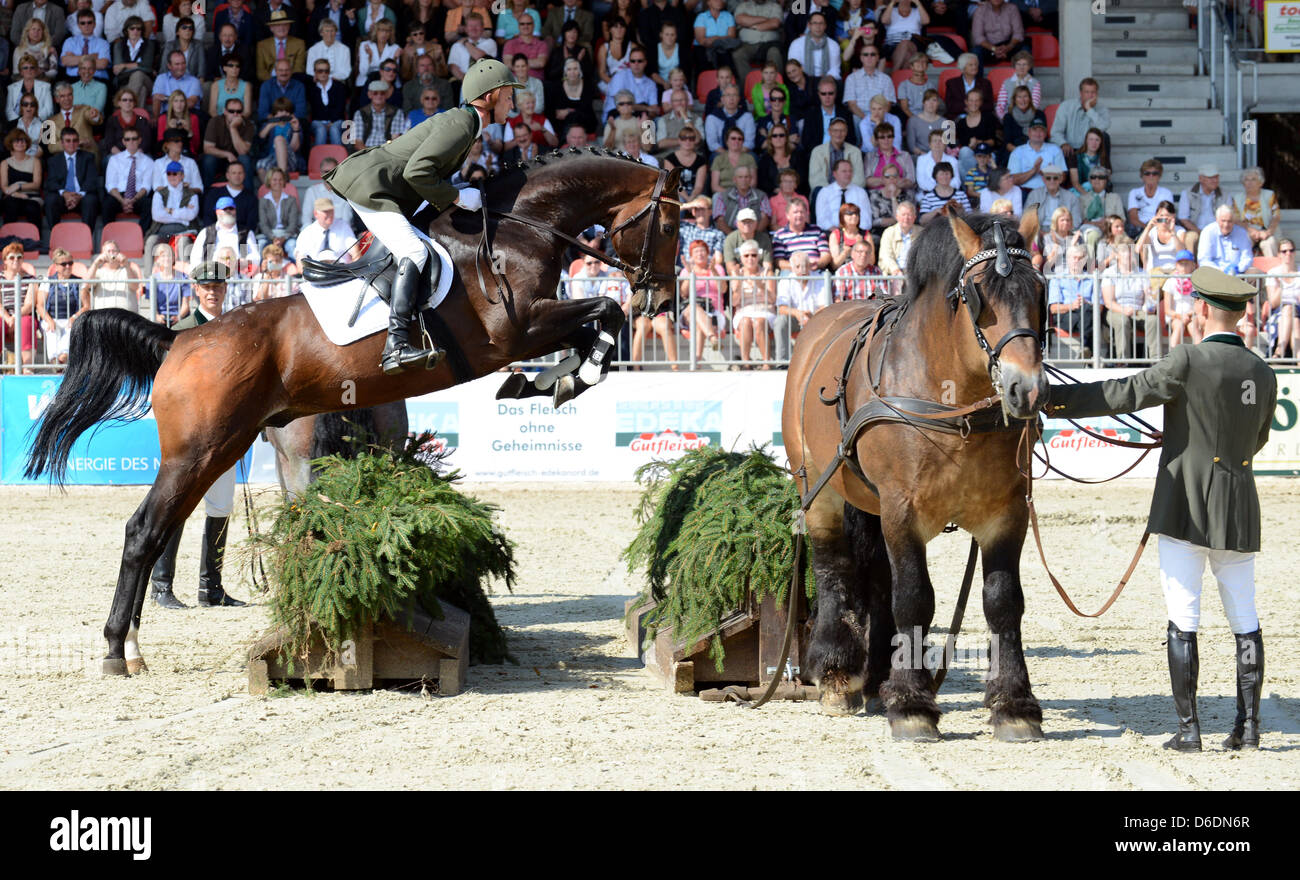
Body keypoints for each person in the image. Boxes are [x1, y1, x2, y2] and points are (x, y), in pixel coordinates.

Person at [1046, 267, 1274, 752]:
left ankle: (1190, 731)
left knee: (1183, 616)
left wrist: (1054, 400)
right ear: (1242, 313)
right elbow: (1257, 439)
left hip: (1185, 505)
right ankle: (1249, 728)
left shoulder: (1187, 359)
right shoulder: (1262, 370)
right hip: (1238, 506)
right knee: (1245, 617)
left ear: (1203, 309)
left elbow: (1125, 393)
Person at [323, 58, 523, 375]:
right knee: (414, 252)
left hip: (387, 186)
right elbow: (419, 173)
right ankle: (395, 346)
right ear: (490, 97)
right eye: (509, 95)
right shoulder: (461, 125)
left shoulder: (467, 124)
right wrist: (458, 196)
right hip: (372, 187)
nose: (514, 103)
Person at [151, 261, 249, 610]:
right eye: (207, 287)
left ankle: (212, 589)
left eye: (218, 287)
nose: (213, 292)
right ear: (196, 290)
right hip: (192, 437)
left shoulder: (238, 328)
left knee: (221, 509)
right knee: (176, 508)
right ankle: (161, 586)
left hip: (226, 436)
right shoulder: (182, 332)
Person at [1102, 243, 1158, 360]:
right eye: (1123, 251)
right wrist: (1123, 310)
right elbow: (1108, 302)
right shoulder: (1109, 273)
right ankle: (1122, 361)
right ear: (1117, 255)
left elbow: (1148, 296)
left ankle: (1155, 360)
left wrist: (1150, 305)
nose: (1127, 254)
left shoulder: (1142, 273)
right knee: (1122, 321)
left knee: (1153, 320)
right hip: (1116, 309)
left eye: (1129, 251)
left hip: (1138, 310)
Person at [775, 249, 828, 363]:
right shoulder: (785, 280)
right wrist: (798, 313)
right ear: (792, 268)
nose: (802, 270)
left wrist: (812, 316)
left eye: (805, 266)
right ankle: (782, 362)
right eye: (798, 266)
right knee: (780, 321)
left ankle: (821, 362)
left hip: (817, 318)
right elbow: (781, 308)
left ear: (809, 266)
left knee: (826, 320)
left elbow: (826, 306)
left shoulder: (820, 278)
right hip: (795, 318)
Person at [732, 239, 777, 368]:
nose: (750, 258)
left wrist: (761, 286)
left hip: (765, 311)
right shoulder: (737, 274)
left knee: (760, 321)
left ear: (759, 256)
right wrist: (739, 282)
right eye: (746, 255)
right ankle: (746, 362)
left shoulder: (767, 273)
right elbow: (734, 302)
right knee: (746, 321)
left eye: (753, 255)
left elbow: (773, 300)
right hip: (744, 311)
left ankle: (766, 362)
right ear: (741, 258)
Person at [35, 247, 85, 364]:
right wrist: (49, 320)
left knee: (71, 330)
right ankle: (54, 362)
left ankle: (62, 359)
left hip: (71, 319)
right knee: (51, 330)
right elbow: (40, 306)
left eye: (70, 263)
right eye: (64, 264)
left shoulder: (79, 281)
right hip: (52, 318)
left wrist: (74, 317)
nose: (68, 266)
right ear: (56, 266)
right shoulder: (48, 281)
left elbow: (86, 306)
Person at [43, 127, 99, 229]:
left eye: (75, 140)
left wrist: (78, 196)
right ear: (62, 143)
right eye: (68, 141)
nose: (72, 144)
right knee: (51, 200)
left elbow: (92, 180)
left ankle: (87, 237)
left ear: (78, 142)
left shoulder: (88, 157)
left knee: (91, 200)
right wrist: (65, 194)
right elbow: (51, 182)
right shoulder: (54, 160)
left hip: (82, 197)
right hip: (62, 198)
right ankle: (55, 236)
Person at [1046, 244, 1095, 358]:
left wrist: (1086, 304)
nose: (1077, 261)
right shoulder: (1057, 278)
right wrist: (1072, 306)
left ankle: (1085, 349)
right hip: (1066, 317)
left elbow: (1100, 306)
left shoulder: (1092, 279)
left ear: (1085, 260)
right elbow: (1053, 309)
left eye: (1080, 258)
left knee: (1087, 310)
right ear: (1068, 259)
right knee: (1086, 313)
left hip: (1087, 316)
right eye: (1074, 258)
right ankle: (1087, 348)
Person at [1175, 166, 1233, 258]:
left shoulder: (1225, 194)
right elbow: (1183, 218)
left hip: (1219, 230)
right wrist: (1200, 232)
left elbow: (1229, 216)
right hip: (1196, 230)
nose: (1215, 180)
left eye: (1216, 177)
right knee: (1190, 238)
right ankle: (1191, 266)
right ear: (1201, 179)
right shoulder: (1187, 193)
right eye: (1211, 178)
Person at [1050, 78, 1110, 161]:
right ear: (1081, 93)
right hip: (1070, 148)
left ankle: (1103, 171)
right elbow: (1055, 132)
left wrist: (1089, 110)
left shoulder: (1102, 109)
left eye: (1093, 92)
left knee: (1105, 137)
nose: (1090, 95)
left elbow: (1103, 127)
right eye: (1087, 92)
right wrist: (1063, 143)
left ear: (1097, 93)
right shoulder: (1066, 106)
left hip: (1090, 149)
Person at [103, 127, 153, 225]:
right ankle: (109, 237)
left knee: (149, 204)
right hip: (119, 196)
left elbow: (146, 186)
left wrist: (133, 200)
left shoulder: (148, 161)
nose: (131, 142)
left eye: (134, 139)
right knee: (107, 203)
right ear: (123, 141)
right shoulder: (114, 160)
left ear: (139, 140)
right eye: (127, 139)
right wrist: (123, 201)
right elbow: (110, 185)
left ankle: (142, 236)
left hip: (138, 196)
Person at [1232, 167, 1280, 259]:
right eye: (1246, 180)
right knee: (1243, 241)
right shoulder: (1237, 198)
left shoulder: (1269, 195)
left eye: (1253, 179)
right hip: (1246, 231)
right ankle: (1244, 270)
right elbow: (1236, 220)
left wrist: (1268, 232)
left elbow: (1276, 216)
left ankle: (1272, 272)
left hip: (1266, 230)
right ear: (1243, 183)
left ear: (1260, 183)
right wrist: (1252, 231)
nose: (1249, 183)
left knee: (1270, 243)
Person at [87, 240, 144, 312]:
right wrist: (96, 263)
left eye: (114, 251)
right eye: (108, 251)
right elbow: (87, 284)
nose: (111, 254)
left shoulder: (128, 270)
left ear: (119, 253)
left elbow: (135, 286)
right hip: (104, 317)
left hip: (126, 317)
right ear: (102, 254)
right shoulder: (97, 272)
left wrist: (126, 264)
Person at [110, 15, 155, 106]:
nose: (135, 31)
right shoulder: (119, 45)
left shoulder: (149, 44)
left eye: (139, 29)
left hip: (147, 80)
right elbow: (118, 70)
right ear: (127, 30)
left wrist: (125, 65)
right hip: (123, 82)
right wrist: (139, 66)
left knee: (138, 75)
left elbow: (148, 67)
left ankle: (124, 108)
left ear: (142, 31)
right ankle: (136, 118)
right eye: (132, 28)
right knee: (142, 90)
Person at [1197, 205, 1254, 277]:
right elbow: (1203, 260)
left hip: (1238, 274)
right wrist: (1221, 271)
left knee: (1255, 272)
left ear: (1234, 221)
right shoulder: (1207, 232)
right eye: (1223, 221)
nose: (1226, 225)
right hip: (1214, 274)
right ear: (1217, 220)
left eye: (1229, 221)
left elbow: (1247, 258)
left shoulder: (1242, 233)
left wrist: (1238, 269)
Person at [816, 158, 871, 232]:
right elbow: (821, 220)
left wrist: (853, 232)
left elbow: (866, 220)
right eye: (844, 171)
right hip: (830, 233)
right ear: (835, 174)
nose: (848, 174)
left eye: (850, 171)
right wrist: (837, 233)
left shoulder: (860, 192)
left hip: (856, 234)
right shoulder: (824, 192)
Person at [1265, 240, 1299, 358]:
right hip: (1278, 312)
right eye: (1284, 251)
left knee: (1292, 313)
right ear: (1279, 254)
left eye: (1291, 250)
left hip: (1297, 309)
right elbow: (1273, 303)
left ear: (1295, 253)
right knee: (1290, 312)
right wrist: (1280, 287)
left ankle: (1279, 352)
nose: (1288, 254)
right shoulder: (1273, 273)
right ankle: (1298, 356)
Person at [0, 129, 42, 225]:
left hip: (32, 196)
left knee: (32, 208)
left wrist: (19, 186)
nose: (20, 143)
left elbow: (36, 184)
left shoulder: (35, 161)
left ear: (27, 143)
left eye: (23, 140)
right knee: (11, 205)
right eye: (16, 140)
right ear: (11, 143)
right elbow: (4, 187)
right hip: (11, 196)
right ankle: (8, 239)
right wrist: (16, 194)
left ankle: (35, 239)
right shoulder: (5, 163)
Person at [1126, 158, 1174, 240]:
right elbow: (1133, 218)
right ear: (1142, 176)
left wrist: (1156, 228)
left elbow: (1168, 216)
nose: (1151, 176)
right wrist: (1148, 228)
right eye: (1147, 173)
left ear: (1159, 176)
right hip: (1140, 229)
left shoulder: (1166, 193)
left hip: (1160, 227)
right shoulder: (1134, 193)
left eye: (1154, 173)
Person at [1163, 250, 1201, 350]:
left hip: (1192, 315)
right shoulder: (1170, 282)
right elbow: (1167, 309)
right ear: (1176, 265)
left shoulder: (1197, 282)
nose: (1184, 267)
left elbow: (1199, 305)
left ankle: (1202, 358)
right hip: (1175, 316)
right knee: (1179, 326)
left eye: (1187, 264)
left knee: (1194, 328)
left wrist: (1188, 315)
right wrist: (1180, 316)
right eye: (1181, 264)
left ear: (1193, 265)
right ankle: (1172, 358)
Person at [146, 242, 190, 327]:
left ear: (174, 258)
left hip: (179, 317)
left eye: (169, 255)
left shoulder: (183, 277)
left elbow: (185, 305)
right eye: (163, 256)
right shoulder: (152, 280)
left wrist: (178, 317)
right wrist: (157, 316)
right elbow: (152, 305)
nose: (166, 258)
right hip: (160, 318)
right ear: (157, 259)